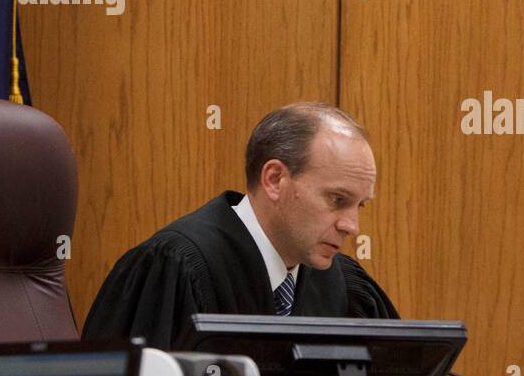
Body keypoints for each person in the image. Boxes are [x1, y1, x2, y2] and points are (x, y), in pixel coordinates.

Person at [83, 103, 397, 348]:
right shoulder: (177, 267)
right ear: (275, 179)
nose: (352, 226)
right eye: (337, 199)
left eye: (360, 205)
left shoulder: (343, 287)